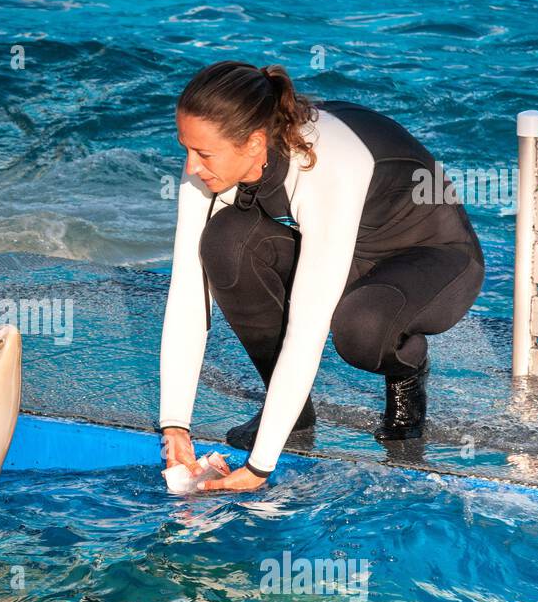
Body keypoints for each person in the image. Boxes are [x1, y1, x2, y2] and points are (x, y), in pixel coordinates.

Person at [159, 61, 485, 492]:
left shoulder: (324, 165)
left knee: (361, 327)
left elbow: (307, 327)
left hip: (435, 258)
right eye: (186, 148)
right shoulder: (214, 159)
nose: (191, 166)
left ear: (255, 142)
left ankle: (406, 368)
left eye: (202, 154)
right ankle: (292, 411)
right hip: (348, 248)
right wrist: (175, 427)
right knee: (225, 243)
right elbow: (186, 294)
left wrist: (258, 468)